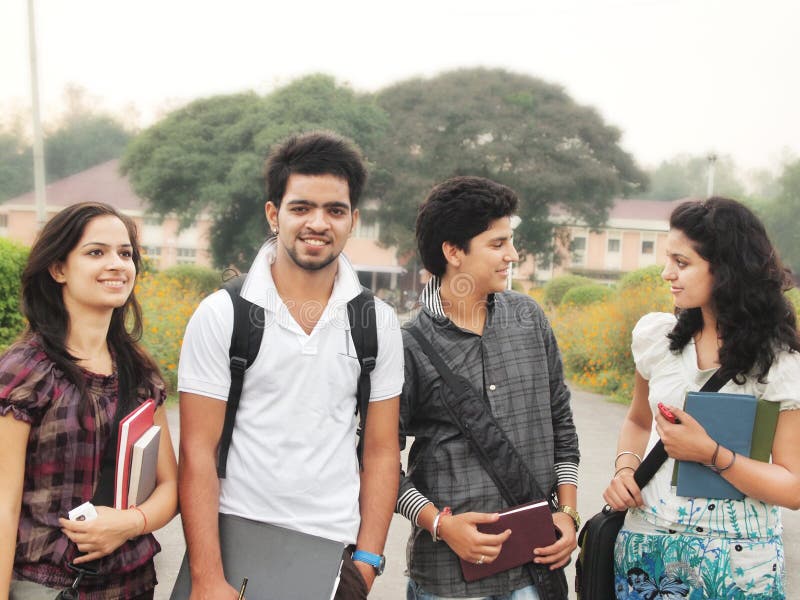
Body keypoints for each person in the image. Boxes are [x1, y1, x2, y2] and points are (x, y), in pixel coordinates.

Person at [177, 131, 404, 599]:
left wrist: (367, 561)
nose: (317, 223)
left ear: (352, 220)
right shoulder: (224, 313)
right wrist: (205, 578)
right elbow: (198, 449)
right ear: (273, 213)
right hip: (237, 542)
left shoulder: (376, 322)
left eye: (335, 210)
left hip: (335, 555)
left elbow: (381, 451)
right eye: (301, 207)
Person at [603, 197, 800, 599]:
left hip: (738, 565)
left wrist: (710, 453)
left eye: (682, 262)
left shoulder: (779, 363)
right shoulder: (657, 340)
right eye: (667, 259)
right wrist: (625, 470)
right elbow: (639, 422)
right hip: (647, 551)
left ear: (726, 269)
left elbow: (793, 487)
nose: (666, 273)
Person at [397, 176, 580, 600]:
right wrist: (439, 524)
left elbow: (562, 428)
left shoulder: (529, 319)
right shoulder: (406, 344)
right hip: (449, 580)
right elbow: (379, 461)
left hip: (536, 573)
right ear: (453, 251)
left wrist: (567, 512)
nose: (512, 256)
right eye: (497, 245)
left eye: (510, 242)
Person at [0, 202, 179, 599]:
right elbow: (3, 505)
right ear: (58, 268)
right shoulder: (25, 371)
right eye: (96, 252)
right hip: (48, 586)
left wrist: (130, 523)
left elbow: (170, 486)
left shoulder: (140, 373)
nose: (117, 264)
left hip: (132, 585)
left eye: (125, 253)